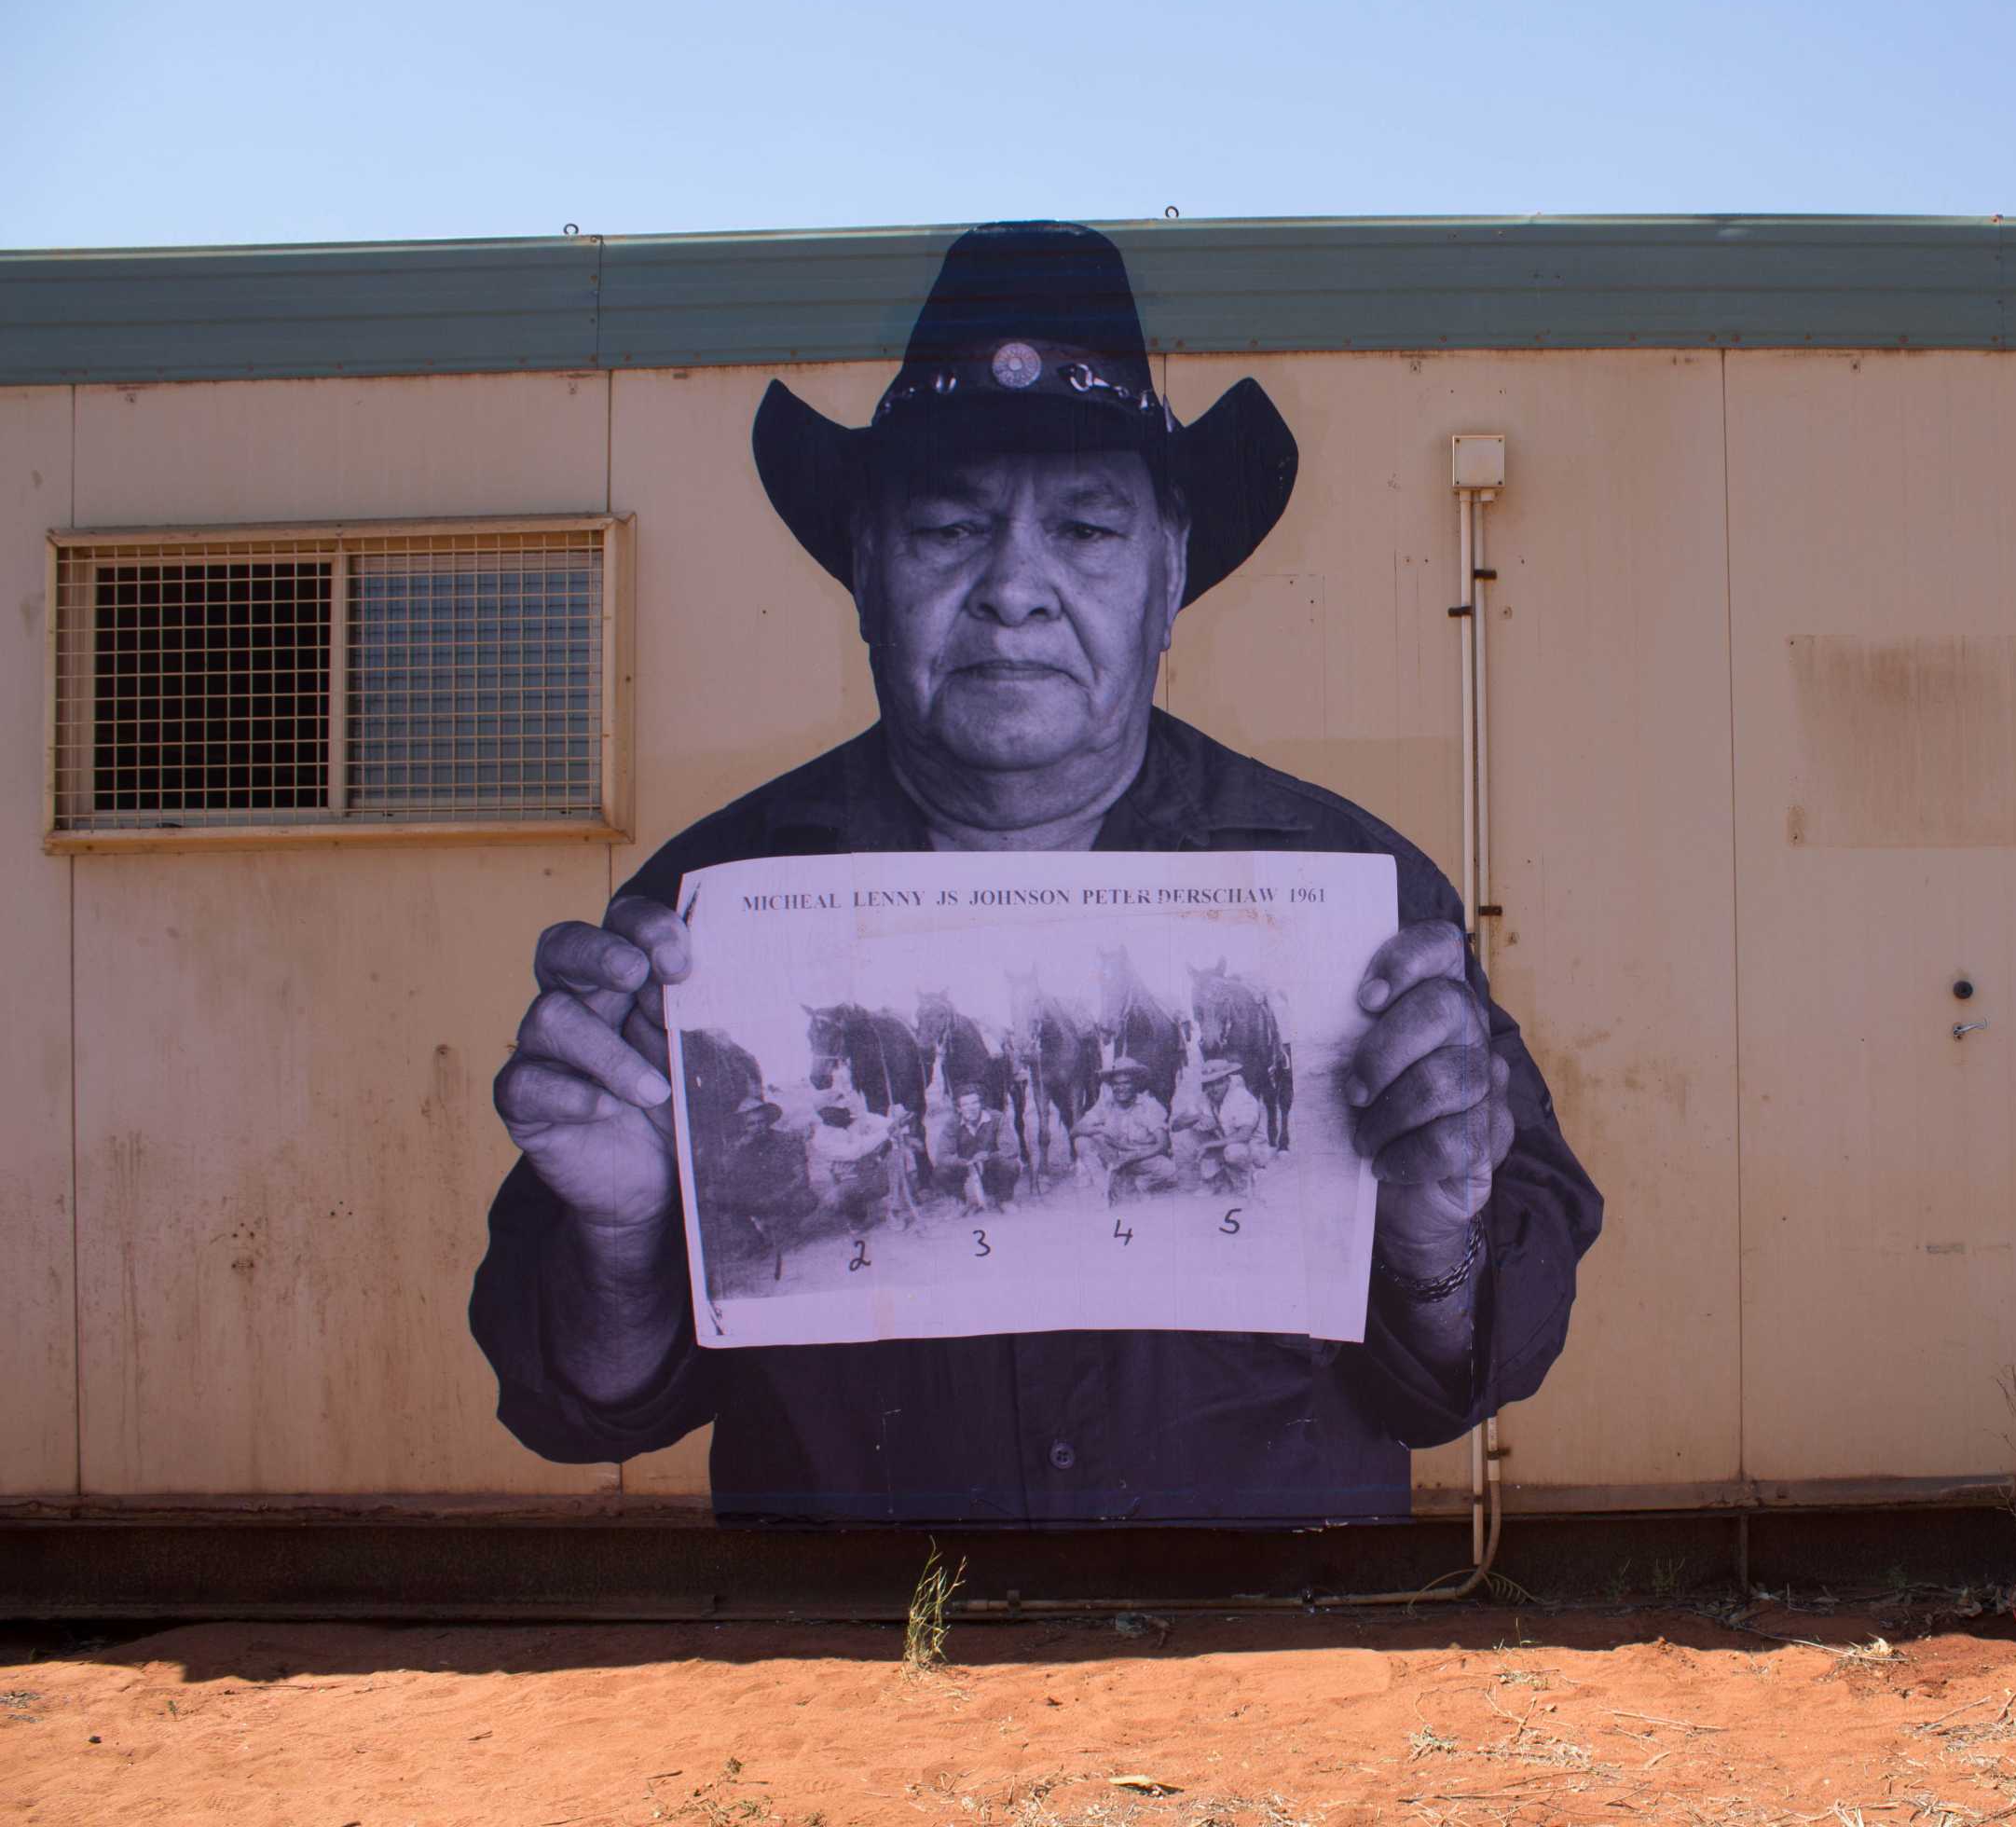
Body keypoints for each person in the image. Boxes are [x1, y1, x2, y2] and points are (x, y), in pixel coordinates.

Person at [471, 220, 1604, 1526]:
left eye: (1085, 530)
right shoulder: (708, 920)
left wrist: (1433, 1234)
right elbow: (586, 1407)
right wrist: (619, 1240)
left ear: (1169, 575)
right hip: (865, 1685)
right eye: (949, 528)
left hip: (1261, 1676)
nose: (1015, 587)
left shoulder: (1357, 899)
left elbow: (1470, 1373)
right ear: (864, 569)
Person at [1072, 1062, 1176, 1202]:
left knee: (1168, 1168)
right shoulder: (1106, 1103)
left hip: (1140, 1156)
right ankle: (1105, 1188)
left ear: (1136, 1084)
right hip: (1113, 1155)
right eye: (1115, 1084)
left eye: (1126, 1083)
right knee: (1082, 1141)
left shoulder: (1149, 1105)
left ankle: (1139, 1183)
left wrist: (1131, 1157)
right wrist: (1099, 1129)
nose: (1120, 1088)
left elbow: (1163, 1144)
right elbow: (1075, 1130)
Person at [1175, 1057, 1270, 1194]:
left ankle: (1252, 1174)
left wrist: (1209, 1145)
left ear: (1228, 1080)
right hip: (1225, 1144)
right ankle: (1219, 1178)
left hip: (1252, 1148)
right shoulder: (1204, 1098)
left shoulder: (1241, 1097)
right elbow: (1176, 1125)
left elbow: (1244, 1135)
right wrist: (1198, 1117)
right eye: (1209, 1084)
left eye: (1218, 1083)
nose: (1213, 1088)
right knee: (1190, 1135)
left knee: (1233, 1152)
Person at [926, 1085, 1022, 1215]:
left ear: (981, 1104)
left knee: (1011, 1164)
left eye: (975, 1103)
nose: (971, 1108)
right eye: (965, 1105)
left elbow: (1011, 1148)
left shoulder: (997, 1118)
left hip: (991, 1166)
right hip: (966, 1168)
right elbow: (942, 1156)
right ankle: (961, 1201)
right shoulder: (953, 1123)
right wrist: (964, 1162)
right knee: (940, 1172)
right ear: (959, 1109)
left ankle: (1004, 1199)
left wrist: (988, 1156)